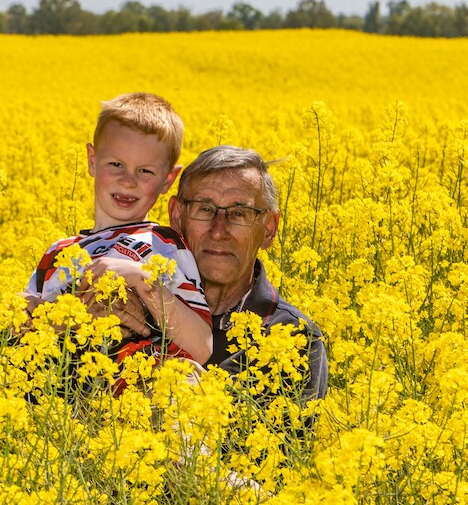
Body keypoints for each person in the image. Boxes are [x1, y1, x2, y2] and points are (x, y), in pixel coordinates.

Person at [24, 93, 212, 365]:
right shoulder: (58, 253)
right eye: (116, 165)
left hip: (148, 393)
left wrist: (140, 279)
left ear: (168, 180)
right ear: (91, 160)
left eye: (145, 171)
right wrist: (26, 311)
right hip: (65, 393)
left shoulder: (164, 245)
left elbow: (202, 345)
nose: (128, 181)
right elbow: (26, 338)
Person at [168, 146, 328, 402]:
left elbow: (285, 440)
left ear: (269, 229)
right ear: (176, 217)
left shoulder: (293, 338)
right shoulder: (139, 307)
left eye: (240, 213)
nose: (219, 231)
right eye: (205, 209)